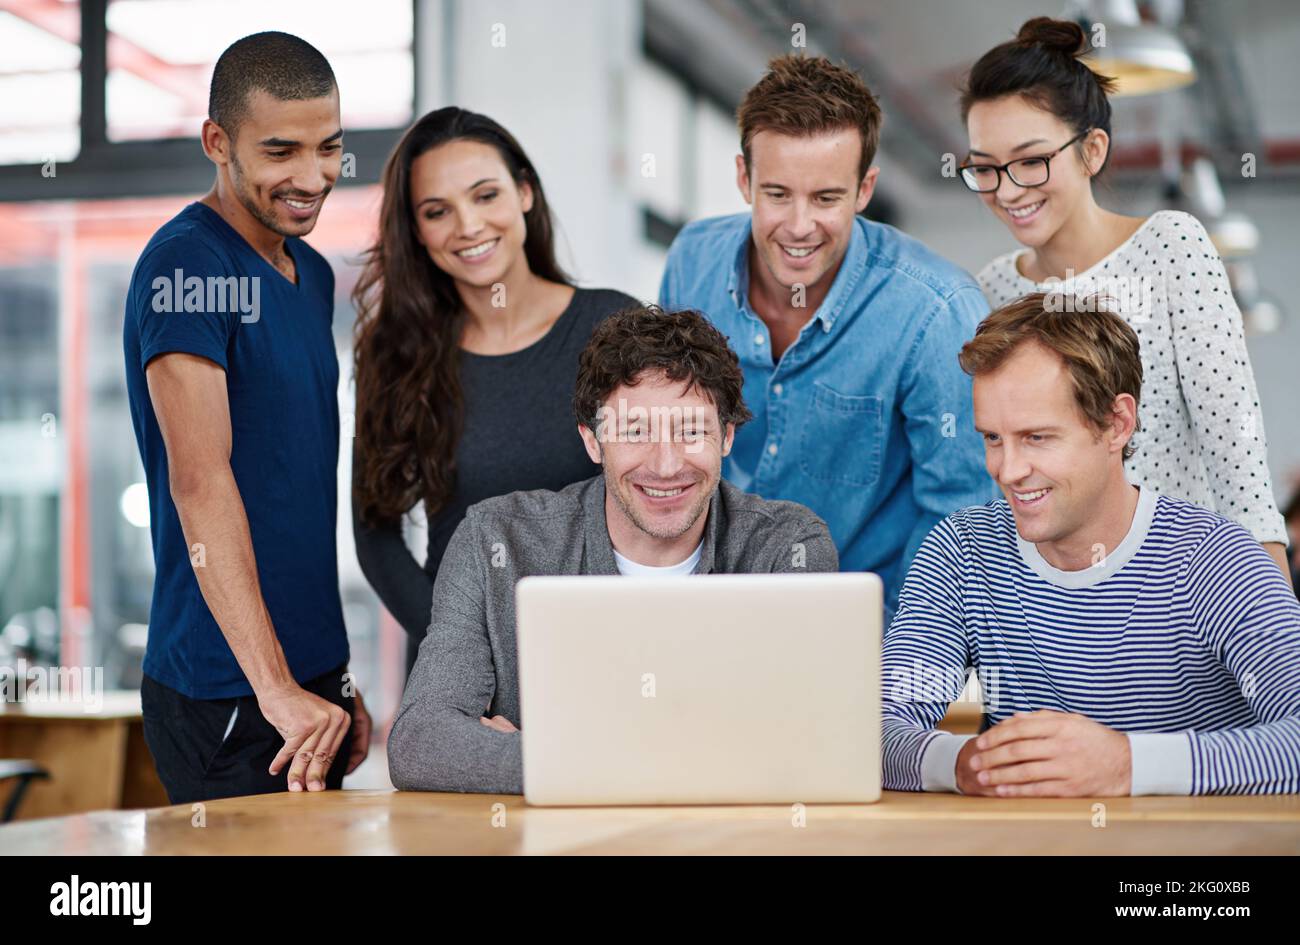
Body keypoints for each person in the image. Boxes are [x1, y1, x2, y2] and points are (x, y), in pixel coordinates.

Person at [387, 305, 838, 794]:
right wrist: (705, 754)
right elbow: (420, 744)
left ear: (726, 436)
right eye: (635, 431)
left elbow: (813, 743)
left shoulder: (787, 550)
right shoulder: (495, 542)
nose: (666, 466)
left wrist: (546, 755)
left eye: (691, 431)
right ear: (593, 441)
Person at [882, 293, 1300, 797]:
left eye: (1037, 437)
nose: (1007, 471)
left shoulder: (1216, 560)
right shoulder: (963, 550)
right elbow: (878, 727)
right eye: (992, 438)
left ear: (1116, 424)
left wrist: (1128, 764)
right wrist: (960, 762)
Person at [123, 32, 370, 802]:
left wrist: (332, 679)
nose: (312, 176)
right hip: (229, 688)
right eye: (280, 151)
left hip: (309, 679)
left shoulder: (312, 274)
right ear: (217, 142)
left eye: (328, 148)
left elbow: (294, 485)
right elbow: (200, 482)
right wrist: (275, 686)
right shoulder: (189, 265)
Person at [659, 54, 993, 621]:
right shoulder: (693, 263)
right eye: (777, 193)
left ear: (864, 189)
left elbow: (960, 515)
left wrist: (895, 651)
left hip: (862, 627)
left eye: (825, 198)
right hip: (707, 608)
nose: (798, 226)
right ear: (743, 178)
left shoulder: (937, 311)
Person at [961, 16, 1290, 583]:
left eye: (1031, 161)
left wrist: (1272, 608)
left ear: (1092, 150)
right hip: (1056, 599)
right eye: (985, 169)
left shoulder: (1170, 247)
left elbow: (1236, 454)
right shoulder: (992, 289)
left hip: (1185, 589)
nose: (1007, 190)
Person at [351, 107, 639, 677]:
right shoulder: (394, 353)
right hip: (454, 668)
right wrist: (463, 652)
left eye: (486, 195)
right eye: (437, 211)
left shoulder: (616, 327)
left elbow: (666, 498)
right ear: (416, 231)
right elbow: (375, 536)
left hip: (604, 657)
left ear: (524, 193)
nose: (468, 226)